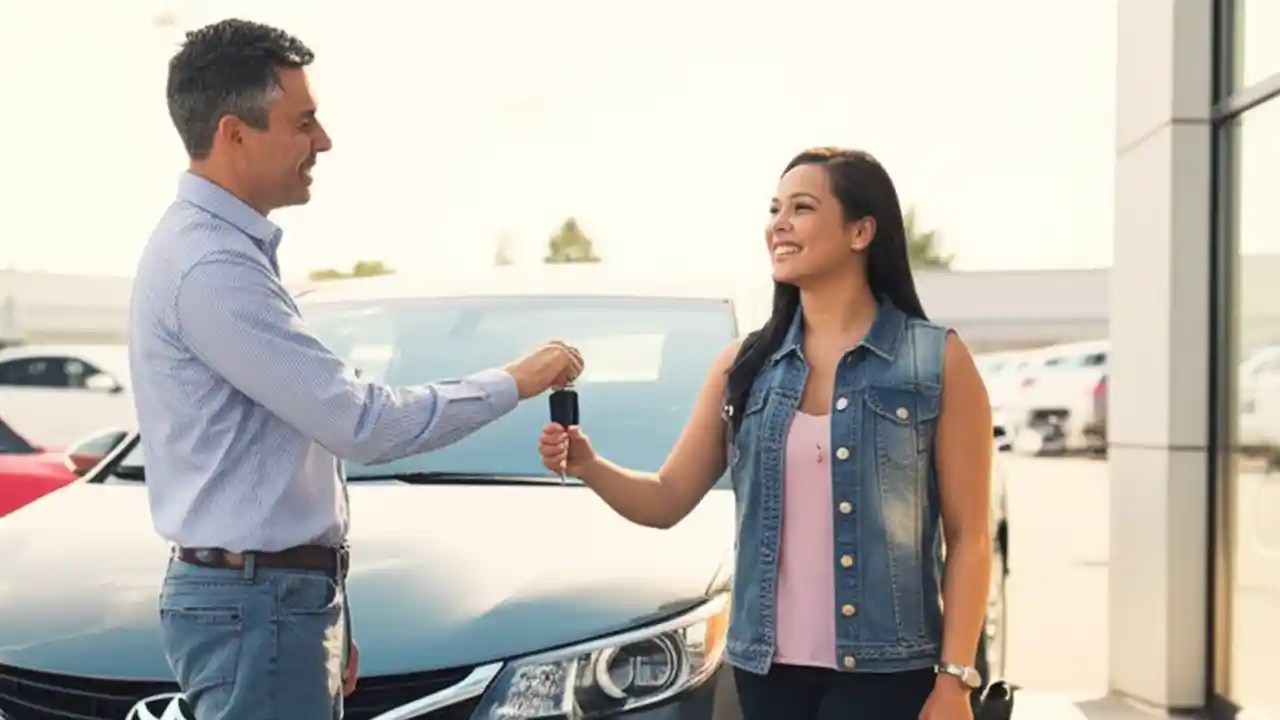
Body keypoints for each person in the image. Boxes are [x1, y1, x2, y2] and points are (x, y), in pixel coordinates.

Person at [128, 18, 583, 720]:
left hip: (274, 604)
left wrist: (328, 607)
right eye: (303, 122)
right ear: (235, 134)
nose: (323, 142)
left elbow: (282, 458)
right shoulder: (213, 267)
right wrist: (515, 381)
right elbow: (361, 423)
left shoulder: (217, 253)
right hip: (260, 610)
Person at [538, 147, 993, 720]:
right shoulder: (745, 365)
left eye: (801, 208)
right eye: (775, 208)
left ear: (861, 230)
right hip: (766, 675)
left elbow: (970, 537)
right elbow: (666, 498)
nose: (778, 224)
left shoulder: (935, 360)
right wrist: (589, 465)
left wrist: (955, 682)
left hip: (889, 674)